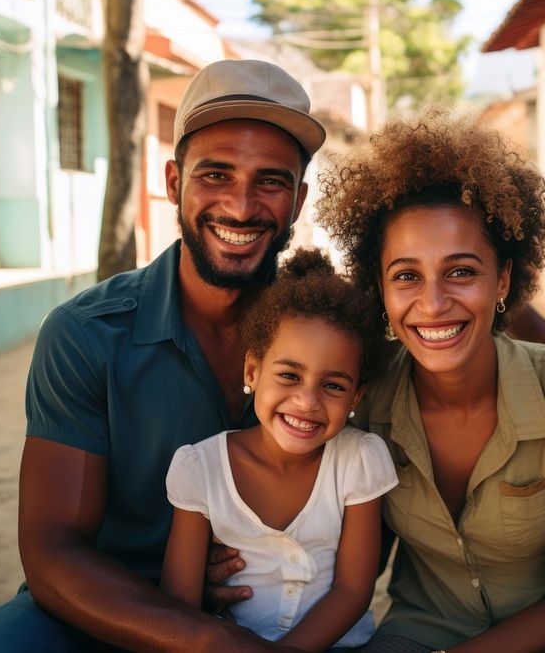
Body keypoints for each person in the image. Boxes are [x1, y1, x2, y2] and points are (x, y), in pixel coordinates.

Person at [0, 58, 545, 651]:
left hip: (288, 613)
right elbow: (52, 552)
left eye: (270, 180)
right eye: (215, 174)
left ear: (300, 198)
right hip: (111, 606)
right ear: (172, 179)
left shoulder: (331, 327)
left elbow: (448, 302)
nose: (242, 204)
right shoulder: (87, 334)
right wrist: (207, 636)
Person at [313, 108, 545, 652]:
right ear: (378, 289)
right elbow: (349, 554)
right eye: (406, 275)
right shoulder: (366, 397)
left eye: (461, 271)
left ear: (504, 279)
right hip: (424, 630)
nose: (432, 303)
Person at [160, 249, 397, 651]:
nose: (307, 401)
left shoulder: (360, 460)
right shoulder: (200, 468)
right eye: (289, 375)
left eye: (334, 385)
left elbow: (353, 590)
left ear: (357, 395)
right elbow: (179, 603)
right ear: (252, 370)